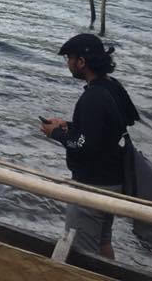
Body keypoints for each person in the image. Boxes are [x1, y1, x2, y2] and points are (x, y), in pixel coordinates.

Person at [40, 33, 139, 259]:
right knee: (103, 244)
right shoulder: (112, 86)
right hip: (113, 182)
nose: (68, 63)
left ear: (82, 62)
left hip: (93, 187)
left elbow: (83, 146)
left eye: (69, 58)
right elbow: (118, 123)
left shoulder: (92, 97)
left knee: (80, 254)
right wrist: (71, 125)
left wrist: (55, 133)